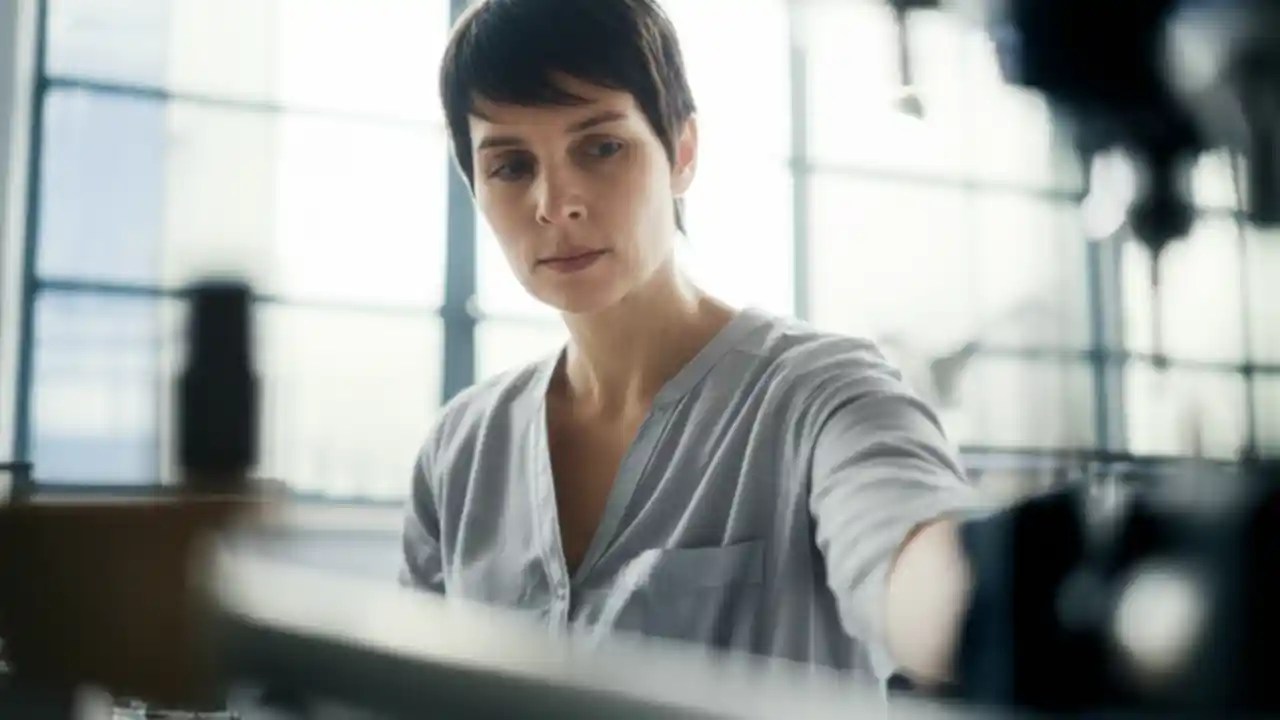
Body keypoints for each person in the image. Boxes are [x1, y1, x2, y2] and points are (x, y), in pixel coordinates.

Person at [401, 0, 981, 693]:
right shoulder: (461, 451)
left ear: (681, 152)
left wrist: (982, 613)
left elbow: (908, 556)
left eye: (601, 146)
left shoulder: (819, 395)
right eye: (511, 166)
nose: (557, 203)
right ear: (475, 186)